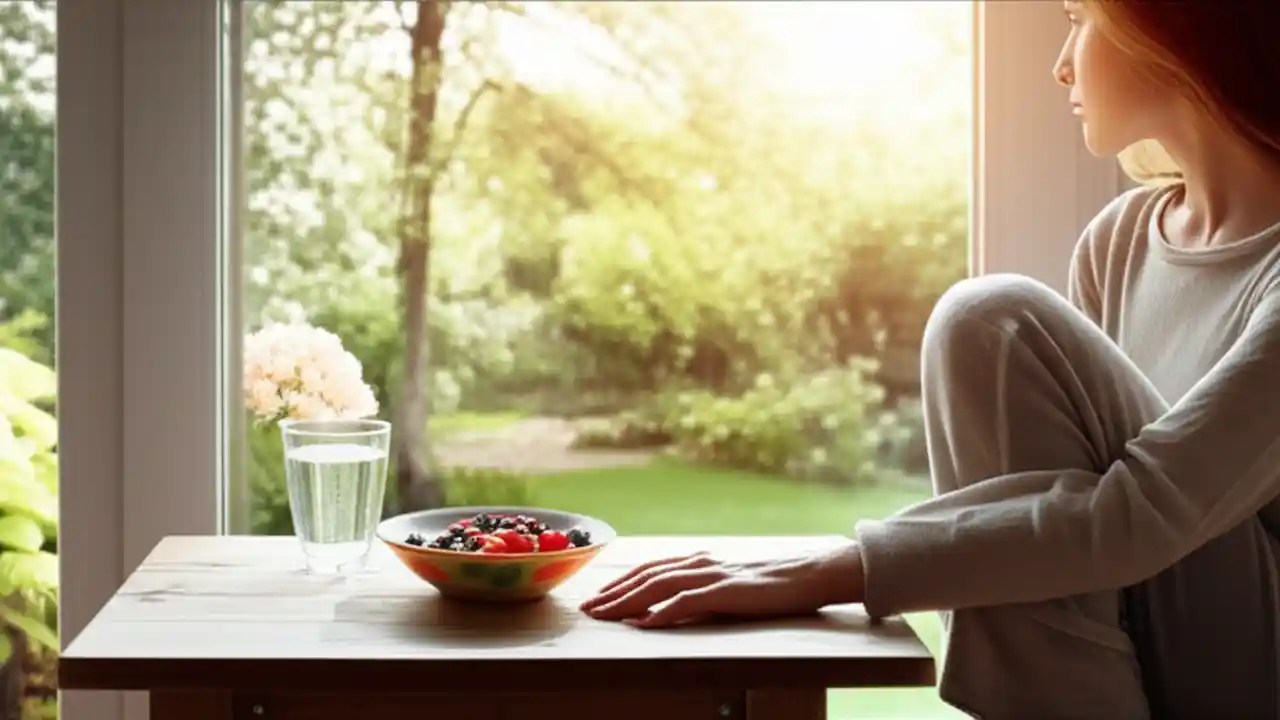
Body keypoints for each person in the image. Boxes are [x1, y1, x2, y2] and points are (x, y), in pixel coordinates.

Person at [579, 2, 1280, 717]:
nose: (1060, 63)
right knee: (988, 335)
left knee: (993, 321)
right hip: (1140, 640)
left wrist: (838, 569)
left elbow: (1141, 513)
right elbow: (1070, 538)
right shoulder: (1120, 240)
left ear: (1169, 29)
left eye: (1077, 18)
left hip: (1247, 670)